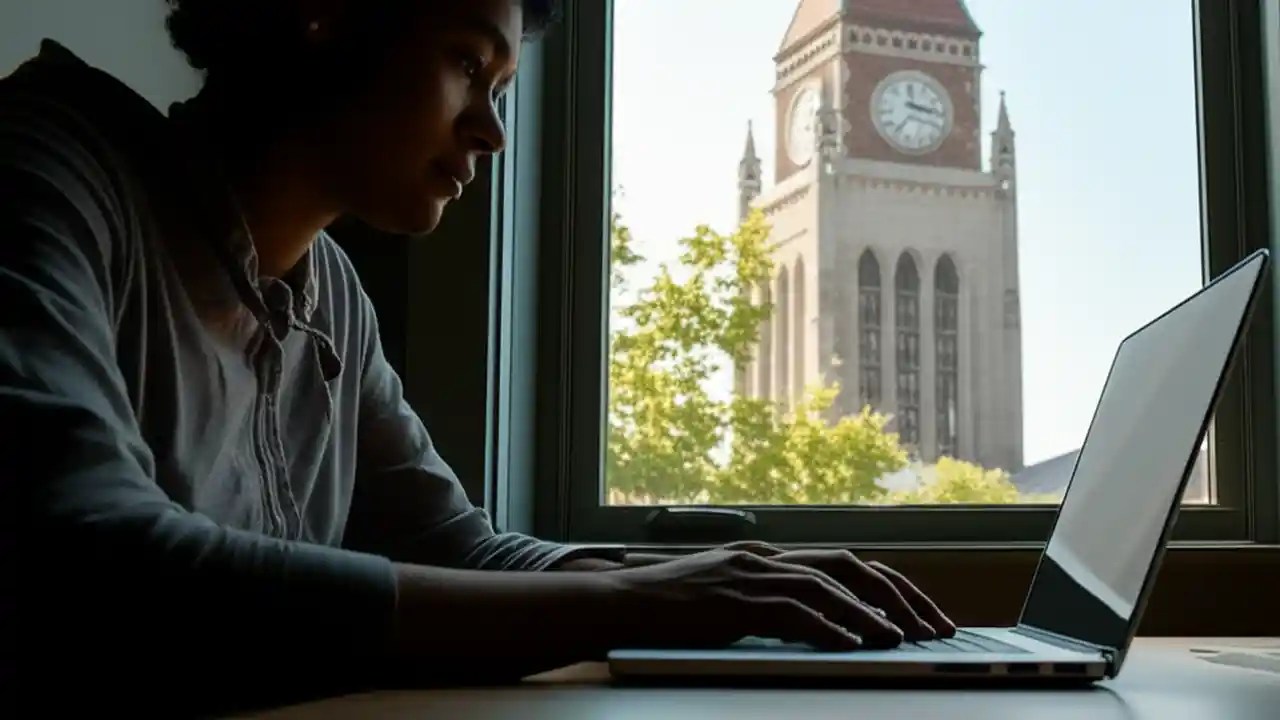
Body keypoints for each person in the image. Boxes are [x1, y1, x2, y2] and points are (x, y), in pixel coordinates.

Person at [1, 0, 955, 711]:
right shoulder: (47, 166)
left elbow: (463, 550)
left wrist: (731, 584)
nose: (493, 132)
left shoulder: (330, 291)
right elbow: (99, 564)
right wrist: (636, 601)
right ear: (325, 13)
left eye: (502, 90)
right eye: (468, 62)